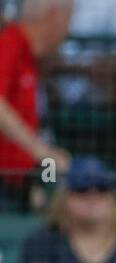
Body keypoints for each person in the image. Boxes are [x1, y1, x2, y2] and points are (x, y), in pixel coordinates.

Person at [0, 0, 73, 206]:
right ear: (55, 15)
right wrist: (41, 151)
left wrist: (47, 157)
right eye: (69, 20)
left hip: (27, 176)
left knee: (57, 170)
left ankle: (43, 200)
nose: (68, 30)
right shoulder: (10, 42)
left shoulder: (34, 57)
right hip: (6, 177)